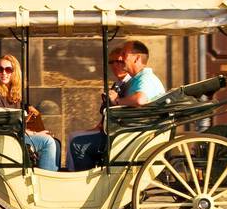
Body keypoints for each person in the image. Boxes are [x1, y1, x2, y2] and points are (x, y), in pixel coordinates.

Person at [68, 40, 166, 171]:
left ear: (137, 58)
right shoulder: (137, 79)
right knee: (76, 139)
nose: (121, 58)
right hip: (128, 133)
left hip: (131, 137)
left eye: (124, 54)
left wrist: (117, 100)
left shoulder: (146, 78)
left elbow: (140, 100)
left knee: (78, 144)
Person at [0, 54, 60, 171]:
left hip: (14, 136)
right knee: (47, 142)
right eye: (0, 69)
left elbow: (15, 125)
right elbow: (3, 127)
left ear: (14, 72)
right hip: (3, 139)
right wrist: (34, 134)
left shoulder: (13, 93)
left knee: (55, 143)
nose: (4, 73)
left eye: (8, 69)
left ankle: (49, 175)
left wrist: (32, 131)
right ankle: (47, 181)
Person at [65, 46, 130, 171]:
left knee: (76, 140)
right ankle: (71, 172)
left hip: (114, 131)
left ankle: (78, 174)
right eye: (111, 62)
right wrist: (99, 125)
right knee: (72, 135)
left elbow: (123, 108)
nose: (115, 65)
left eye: (120, 61)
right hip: (105, 126)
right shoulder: (118, 83)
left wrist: (114, 100)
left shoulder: (129, 83)